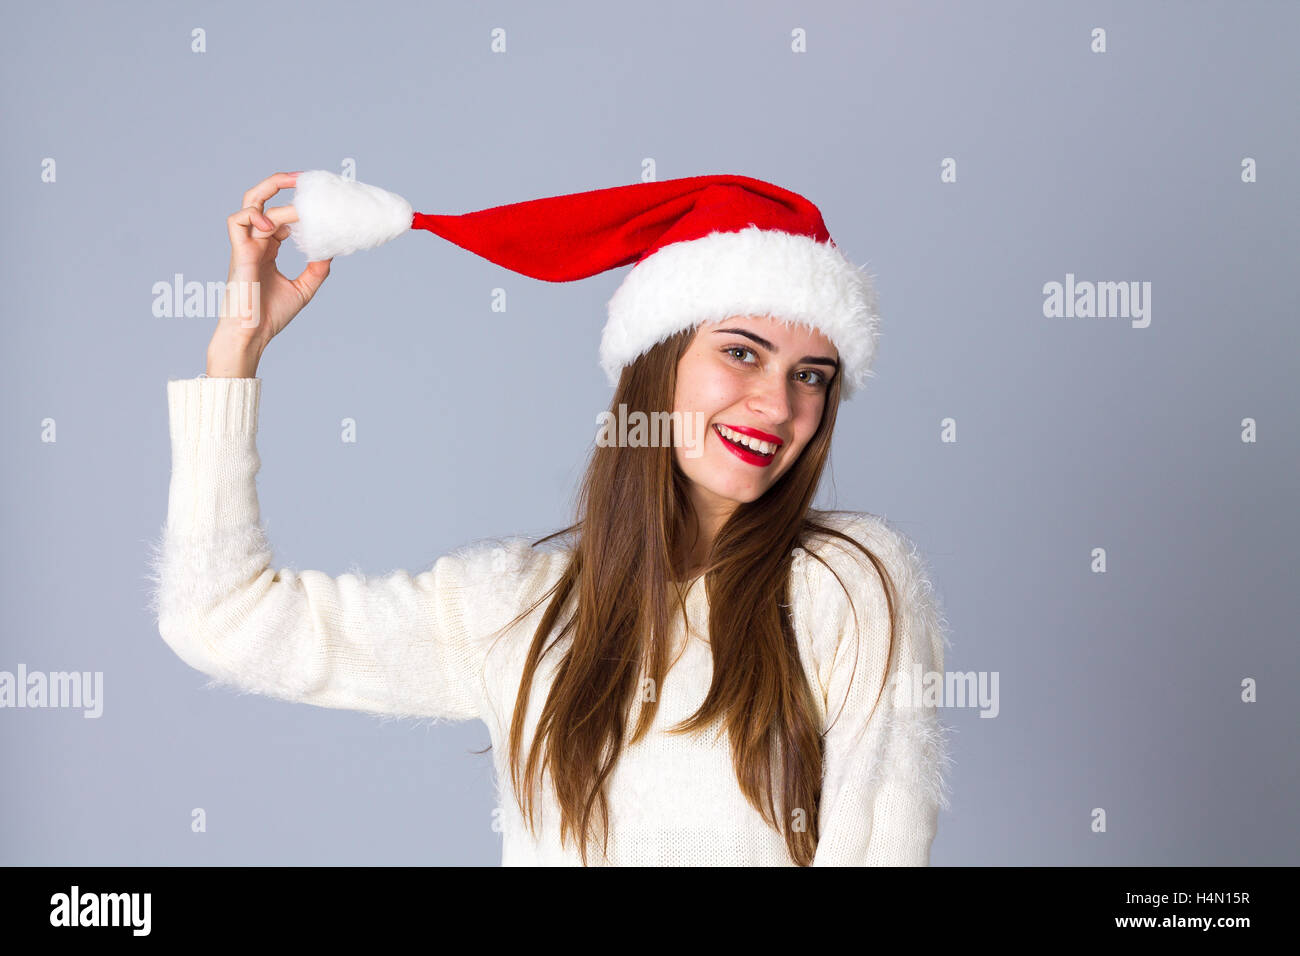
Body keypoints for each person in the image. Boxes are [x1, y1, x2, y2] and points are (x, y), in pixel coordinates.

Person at [148, 170, 953, 866]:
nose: (778, 404)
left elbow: (878, 845)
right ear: (657, 365)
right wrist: (237, 354)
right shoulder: (515, 606)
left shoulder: (850, 584)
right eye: (741, 352)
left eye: (811, 375)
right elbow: (223, 619)